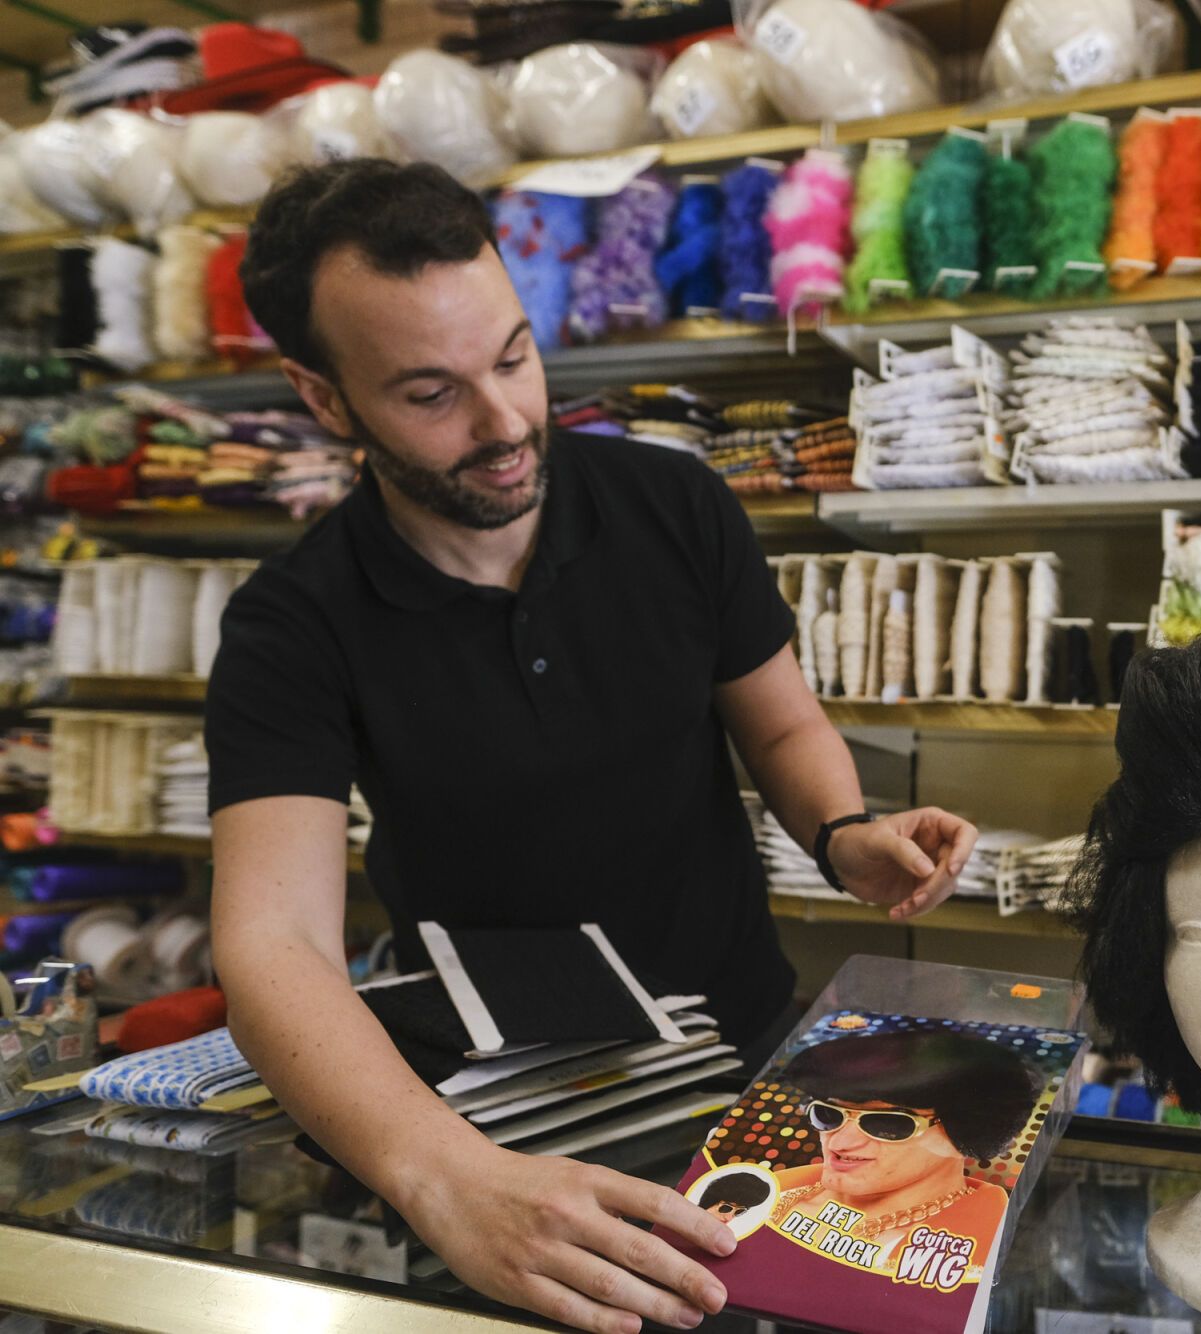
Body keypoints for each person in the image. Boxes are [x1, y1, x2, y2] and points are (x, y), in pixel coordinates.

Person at [205, 158, 980, 1334]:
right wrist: (441, 1171)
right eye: (429, 393)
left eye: (513, 355)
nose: (506, 421)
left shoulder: (676, 505)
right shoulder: (292, 622)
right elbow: (274, 942)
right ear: (324, 398)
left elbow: (775, 717)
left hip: (736, 1055)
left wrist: (842, 828)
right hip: (497, 1112)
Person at [766, 1029, 1042, 1269]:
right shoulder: (767, 1196)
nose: (840, 1143)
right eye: (827, 1115)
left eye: (887, 1124)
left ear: (966, 1132)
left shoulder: (976, 1246)